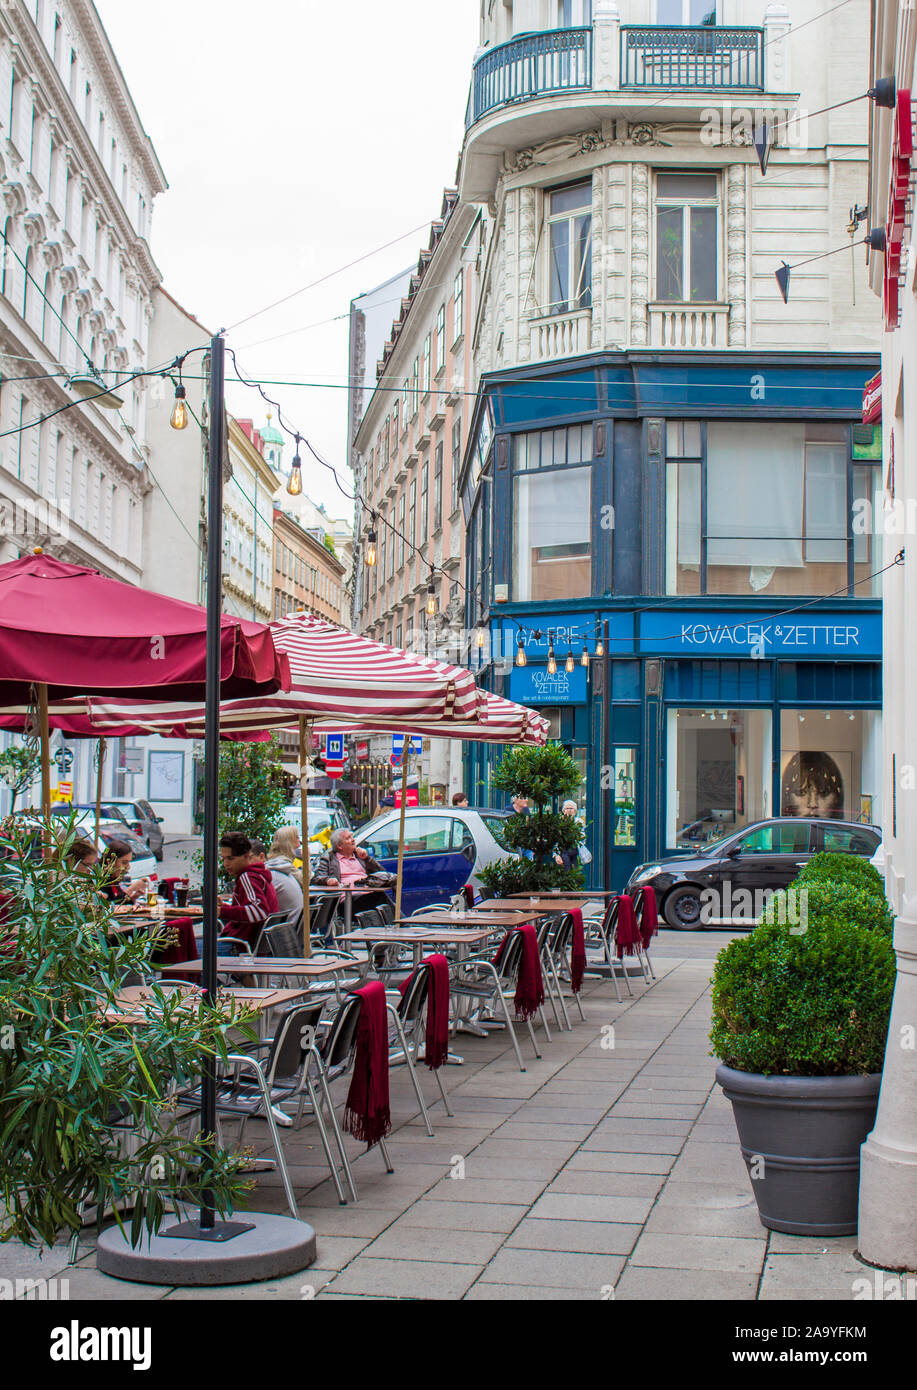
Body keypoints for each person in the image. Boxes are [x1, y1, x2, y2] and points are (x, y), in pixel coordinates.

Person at [217, 830, 279, 951]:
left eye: (231, 858)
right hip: (249, 945)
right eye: (223, 858)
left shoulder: (248, 877)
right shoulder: (260, 875)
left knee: (184, 948)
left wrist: (222, 912)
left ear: (246, 856)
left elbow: (259, 911)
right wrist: (225, 908)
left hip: (239, 946)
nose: (225, 864)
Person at [311, 827, 391, 915]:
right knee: (379, 898)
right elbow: (317, 878)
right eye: (348, 838)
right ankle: (399, 923)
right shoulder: (329, 858)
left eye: (352, 837)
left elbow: (382, 874)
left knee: (379, 898)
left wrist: (367, 859)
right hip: (347, 899)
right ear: (339, 846)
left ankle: (396, 923)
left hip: (367, 893)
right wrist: (328, 880)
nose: (353, 840)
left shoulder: (360, 856)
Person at [265, 826, 304, 917]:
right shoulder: (281, 864)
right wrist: (307, 859)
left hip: (285, 923)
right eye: (297, 837)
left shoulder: (277, 864)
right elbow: (305, 881)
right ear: (290, 841)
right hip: (291, 924)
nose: (300, 841)